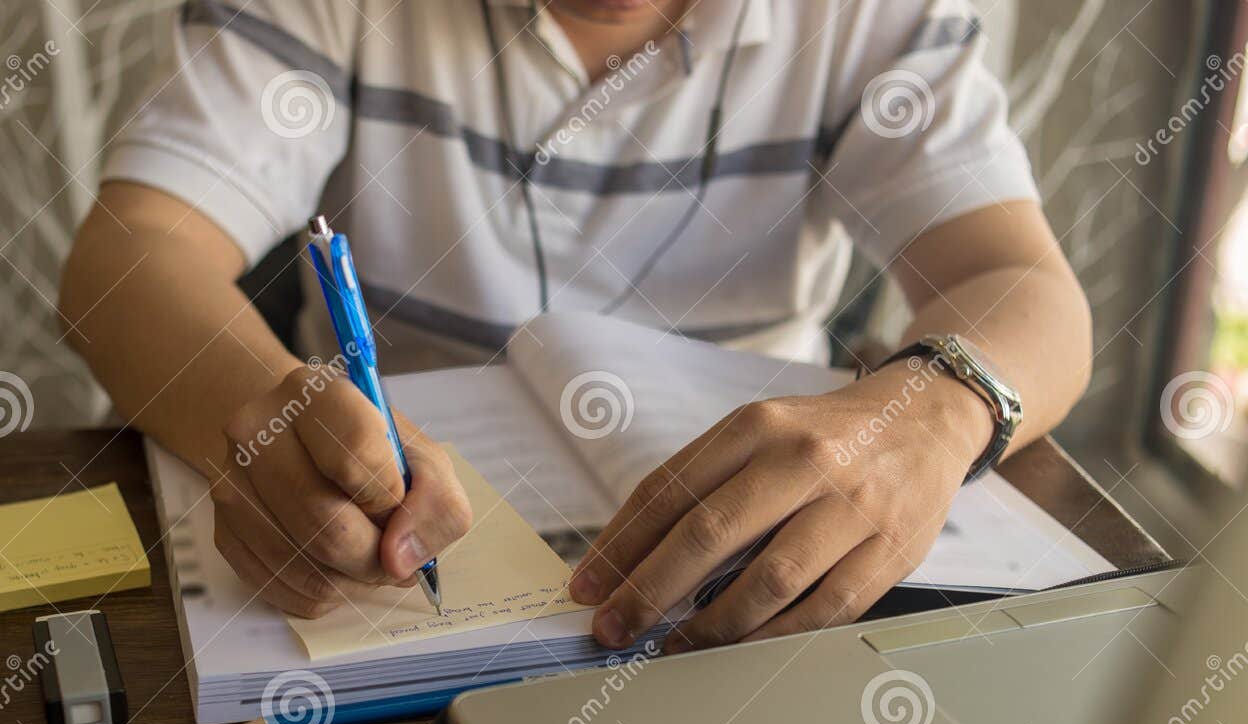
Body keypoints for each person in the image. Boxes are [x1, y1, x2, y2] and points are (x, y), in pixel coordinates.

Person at [60, 0, 1091, 653]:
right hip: (410, 559)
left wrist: (931, 411)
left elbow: (1015, 281)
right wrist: (257, 406)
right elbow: (130, 254)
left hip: (761, 605)